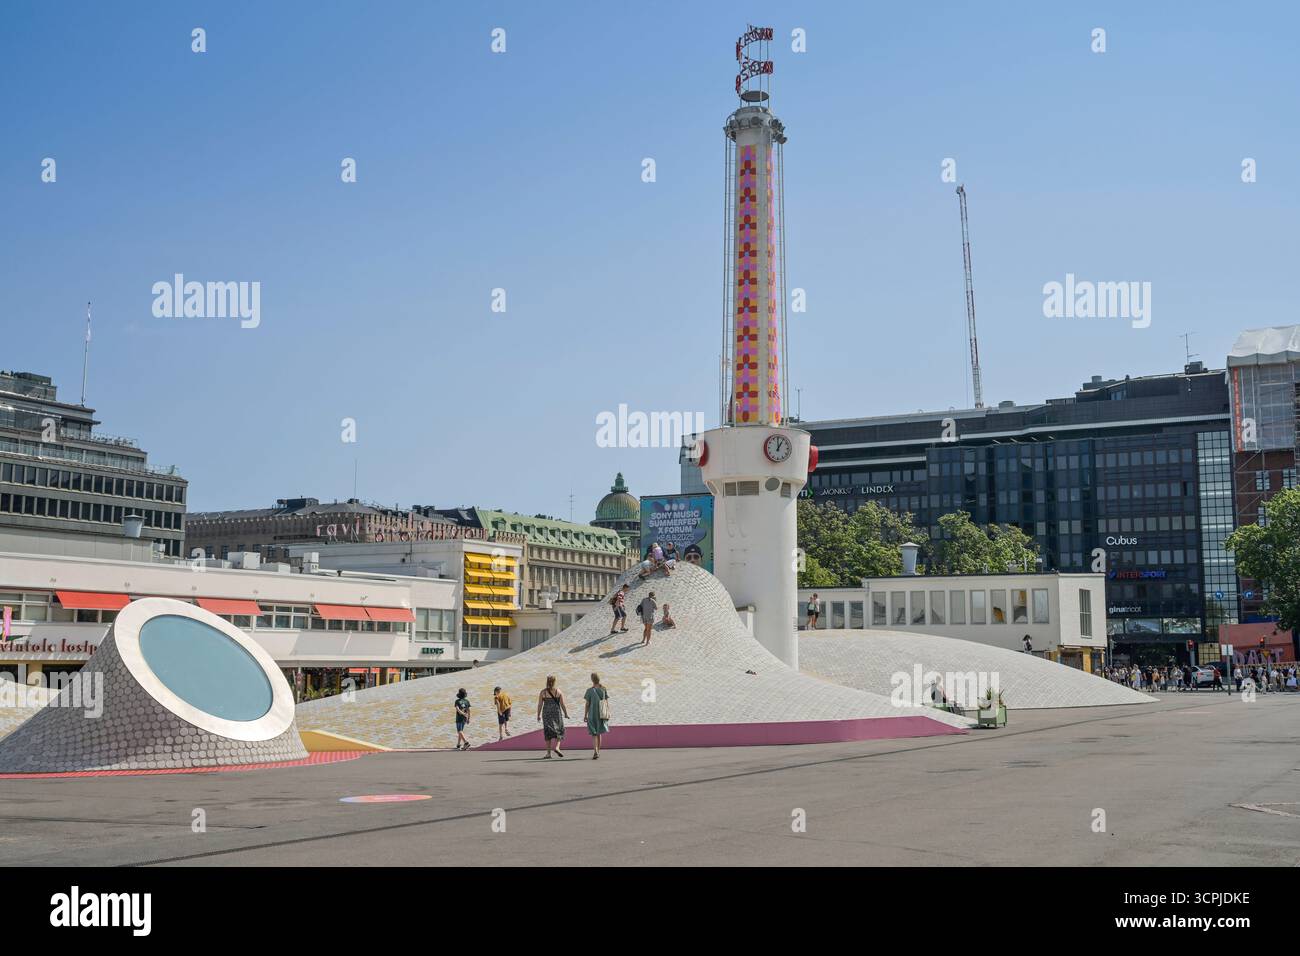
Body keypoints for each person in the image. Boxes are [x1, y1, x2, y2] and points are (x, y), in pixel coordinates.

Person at [536, 675, 569, 758]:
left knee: (548, 732)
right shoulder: (558, 691)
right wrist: (566, 713)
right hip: (556, 713)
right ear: (555, 681)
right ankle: (557, 747)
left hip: (546, 713)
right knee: (559, 729)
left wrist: (538, 715)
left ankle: (548, 753)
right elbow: (562, 704)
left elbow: (540, 705)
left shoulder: (543, 692)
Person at [584, 672, 610, 759]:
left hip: (592, 714)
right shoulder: (603, 689)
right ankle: (598, 751)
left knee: (594, 734)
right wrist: (608, 712)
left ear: (592, 680)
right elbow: (606, 702)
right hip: (601, 714)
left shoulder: (589, 691)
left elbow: (587, 704)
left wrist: (585, 715)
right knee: (599, 733)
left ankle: (595, 751)